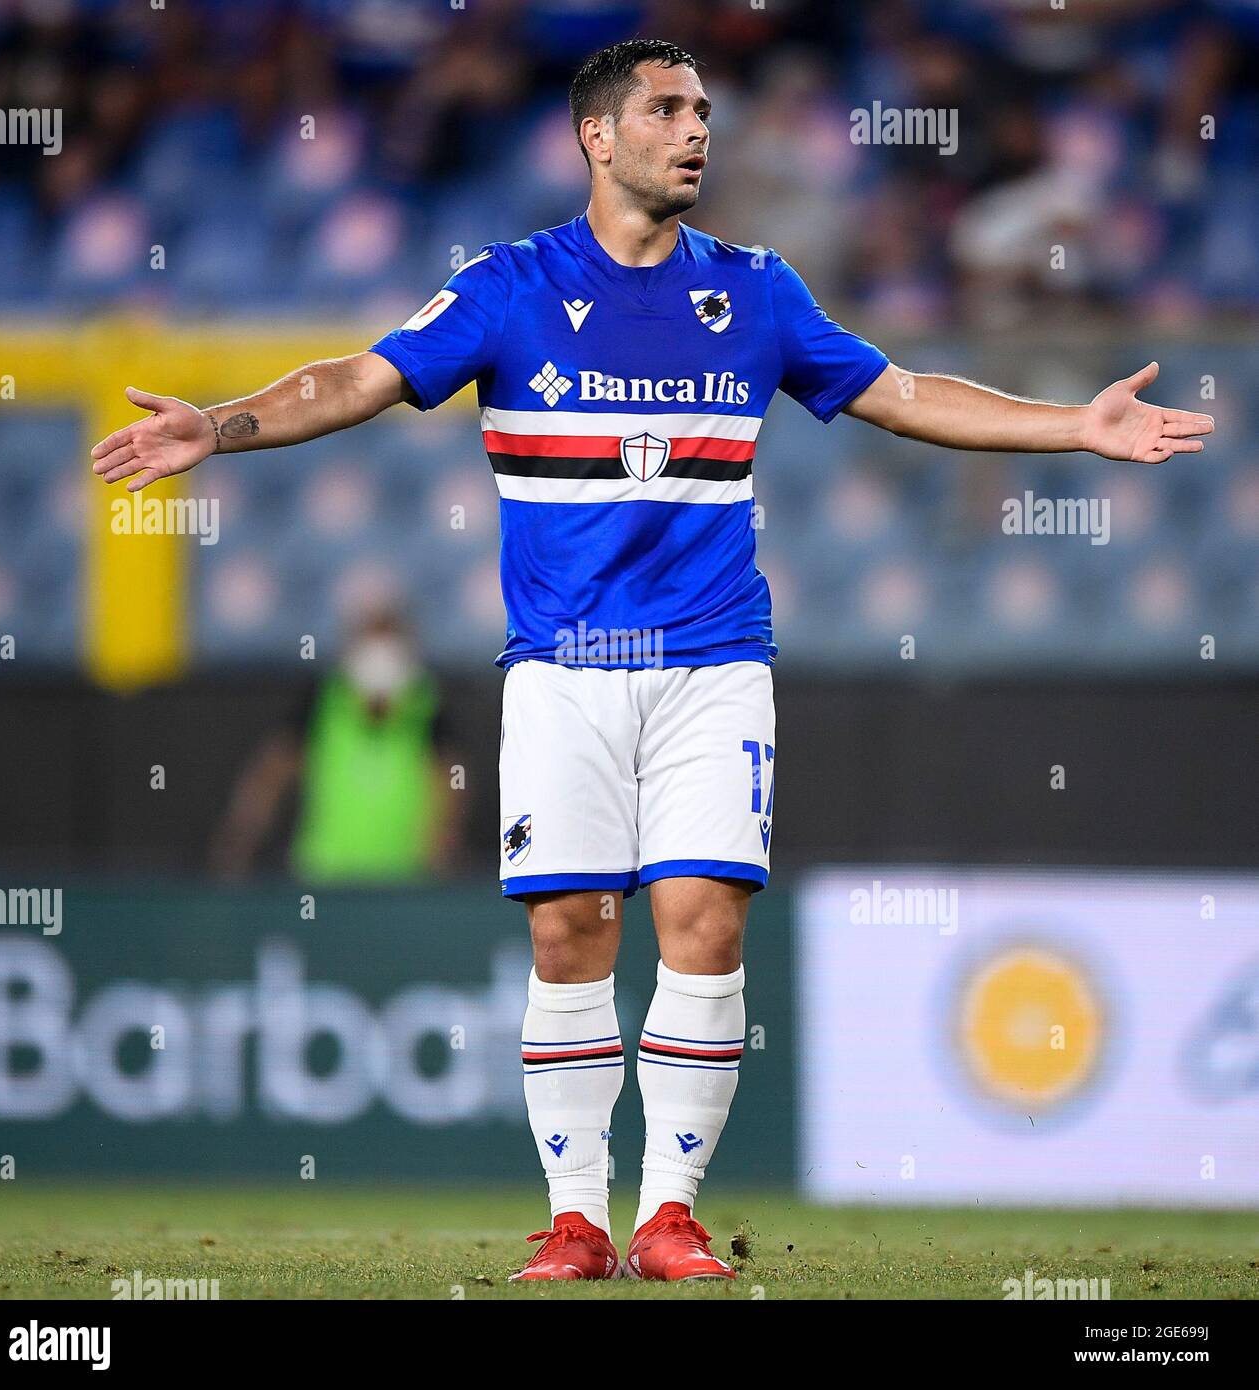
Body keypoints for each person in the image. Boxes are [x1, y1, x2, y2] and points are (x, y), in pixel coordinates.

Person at [89, 38, 1213, 1282]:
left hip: (712, 658)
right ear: (596, 137)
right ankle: (576, 1217)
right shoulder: (508, 287)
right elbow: (354, 379)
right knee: (572, 927)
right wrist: (224, 425)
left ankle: (669, 1212)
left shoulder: (758, 290)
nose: (694, 131)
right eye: (667, 109)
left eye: (703, 111)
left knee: (701, 916)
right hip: (562, 667)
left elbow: (900, 392)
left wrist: (1075, 426)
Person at [210, 603, 460, 885]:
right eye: (370, 647)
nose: (380, 662)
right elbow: (270, 775)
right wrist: (237, 845)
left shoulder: (425, 705)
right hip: (325, 878)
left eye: (390, 649)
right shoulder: (322, 700)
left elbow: (451, 786)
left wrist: (439, 858)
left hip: (402, 882)